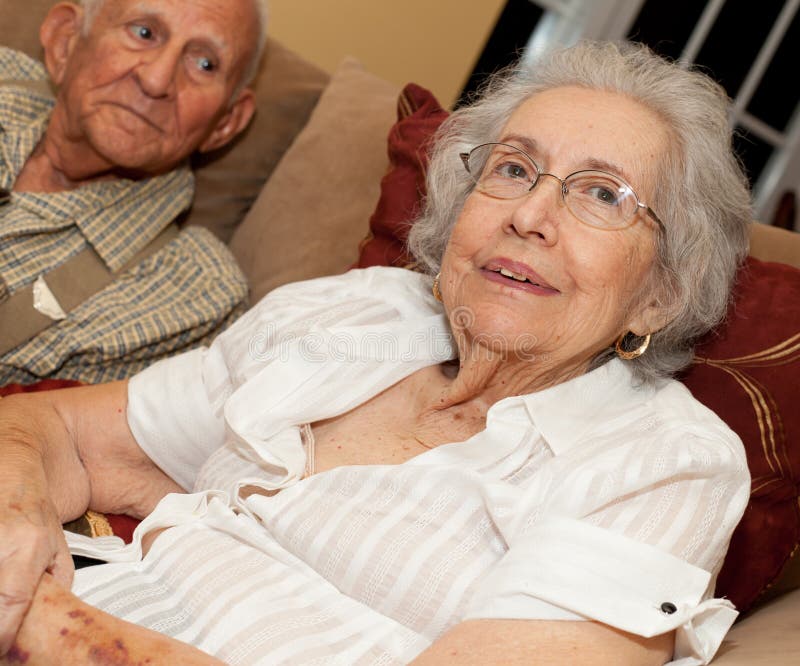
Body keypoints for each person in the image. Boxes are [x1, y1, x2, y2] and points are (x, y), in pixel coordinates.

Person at [0, 40, 753, 665]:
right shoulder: (360, 311)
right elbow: (62, 434)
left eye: (601, 195)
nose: (529, 214)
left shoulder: (666, 463)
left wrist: (38, 626)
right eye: (513, 168)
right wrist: (16, 518)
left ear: (660, 292)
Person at [0, 0, 267, 385]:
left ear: (226, 122)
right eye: (144, 33)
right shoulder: (7, 75)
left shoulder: (196, 300)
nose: (157, 80)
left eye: (204, 64)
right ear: (65, 40)